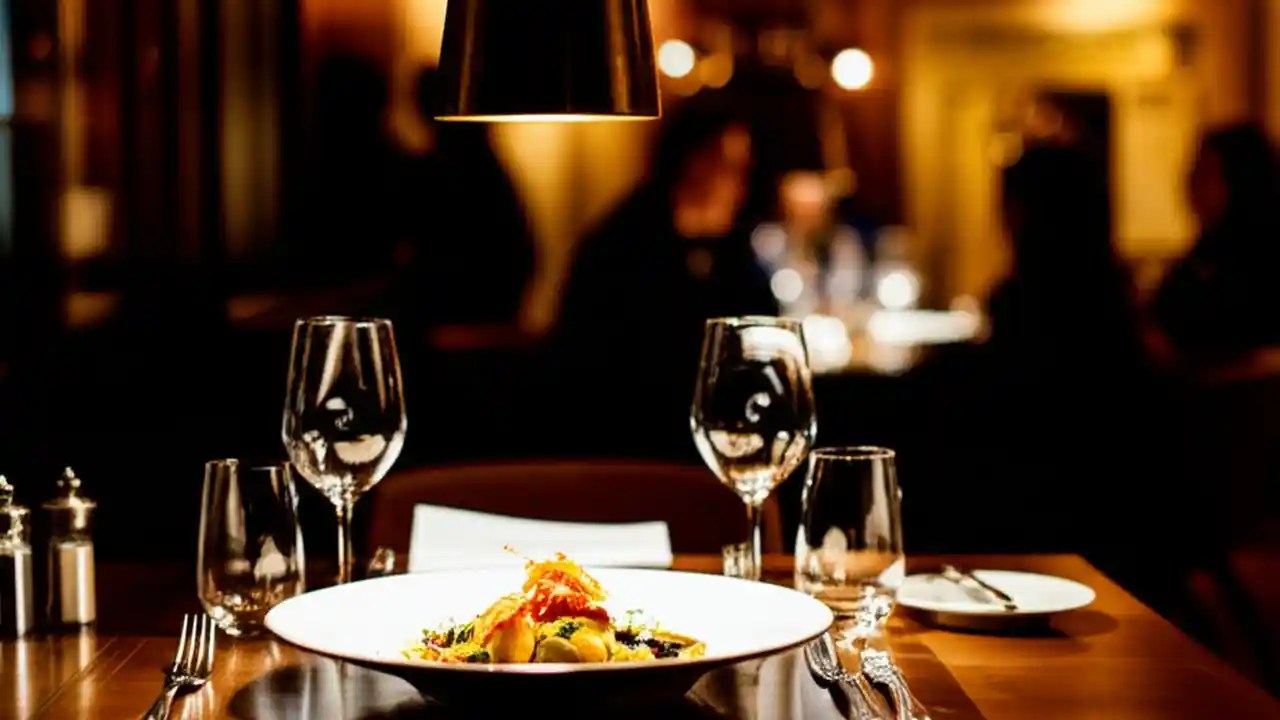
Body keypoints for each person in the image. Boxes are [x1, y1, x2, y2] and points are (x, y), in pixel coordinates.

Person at [549, 97, 777, 459]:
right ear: (688, 161)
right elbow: (595, 369)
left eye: (742, 169)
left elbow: (764, 330)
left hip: (718, 443)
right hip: (627, 445)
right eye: (724, 166)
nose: (737, 185)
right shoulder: (622, 246)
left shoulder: (731, 249)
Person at [1150, 123, 1280, 370]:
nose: (1190, 183)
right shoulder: (1201, 255)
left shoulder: (1260, 262)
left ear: (1241, 181)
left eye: (1205, 173)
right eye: (1192, 170)